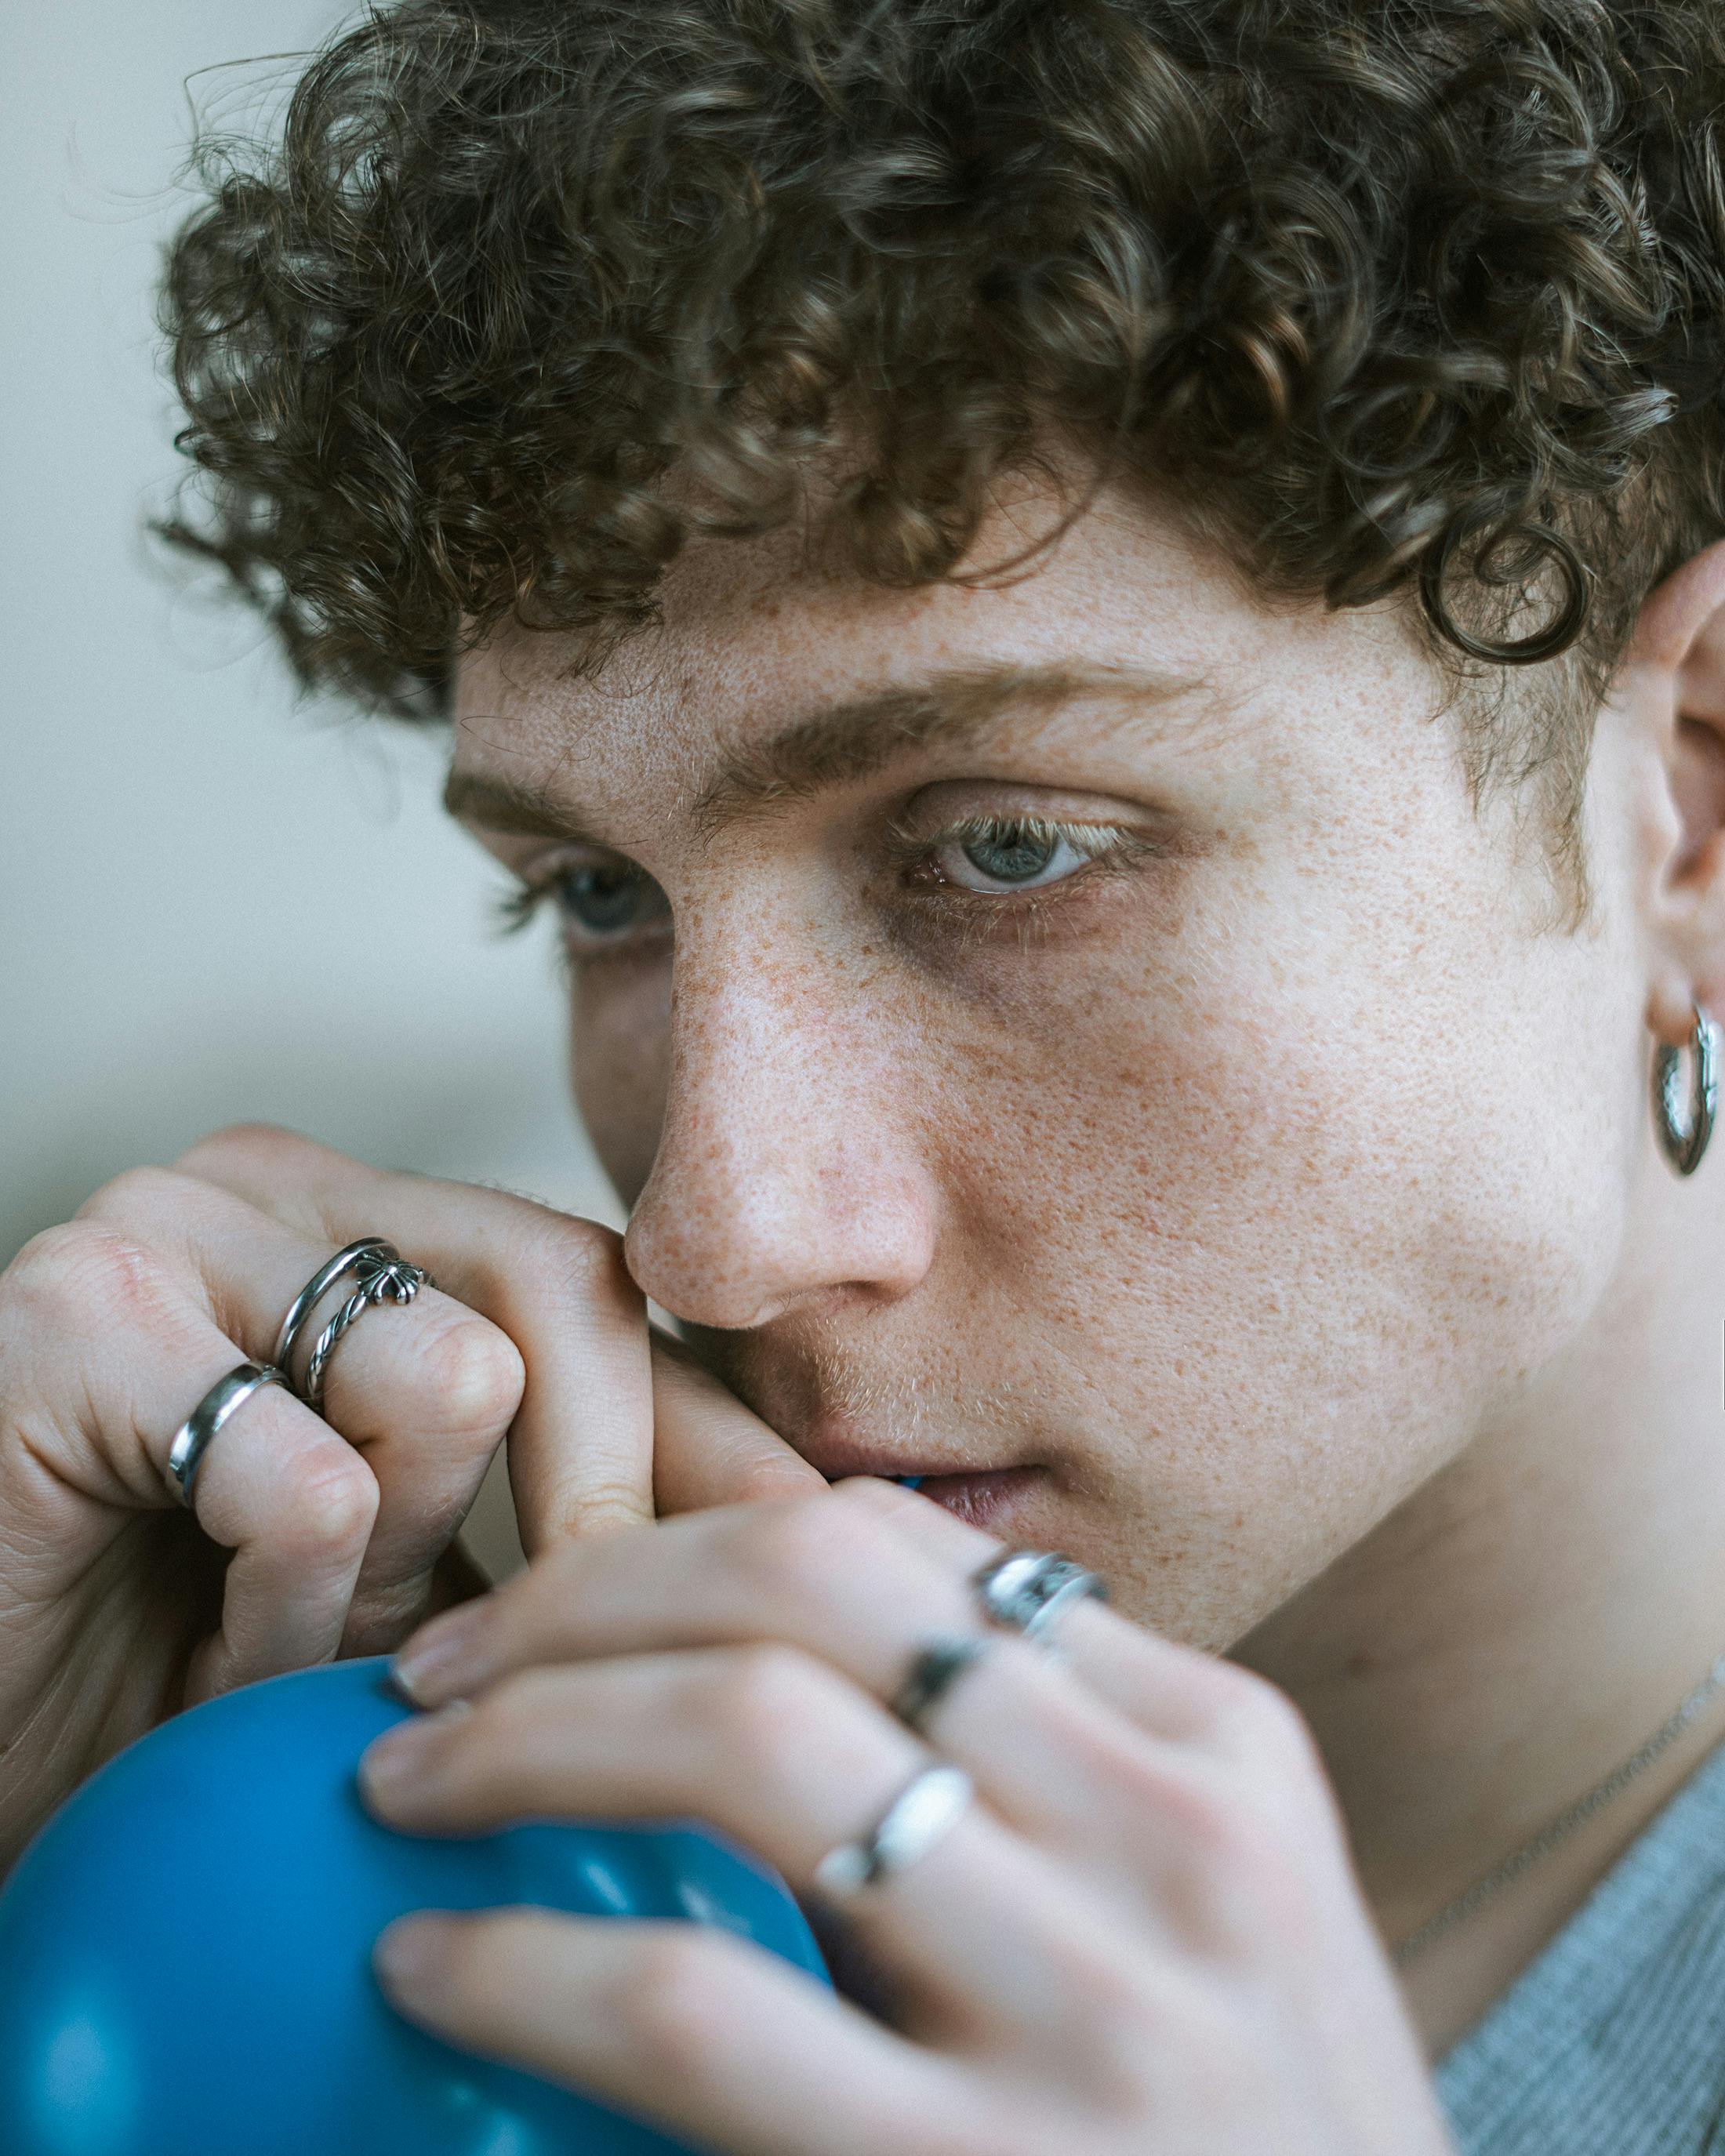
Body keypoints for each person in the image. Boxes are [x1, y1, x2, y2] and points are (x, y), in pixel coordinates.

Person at [5, 0, 1725, 2146]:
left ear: (1688, 799)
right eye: (598, 895)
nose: (708, 1233)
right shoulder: (416, 1794)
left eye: (1010, 848)